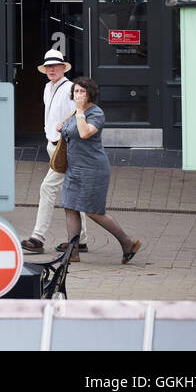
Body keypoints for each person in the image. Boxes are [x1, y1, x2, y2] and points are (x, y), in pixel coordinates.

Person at [58, 77, 142, 263]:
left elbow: (85, 133)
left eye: (82, 92)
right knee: (69, 207)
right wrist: (65, 123)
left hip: (93, 169)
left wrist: (79, 111)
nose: (78, 95)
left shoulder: (96, 113)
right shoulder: (74, 113)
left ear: (90, 95)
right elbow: (64, 129)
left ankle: (127, 242)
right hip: (74, 168)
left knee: (94, 211)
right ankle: (73, 252)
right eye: (76, 91)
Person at [21, 49, 89, 254]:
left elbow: (80, 113)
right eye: (48, 66)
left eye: (55, 66)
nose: (51, 69)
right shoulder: (47, 88)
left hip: (66, 147)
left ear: (63, 67)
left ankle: (38, 237)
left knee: (47, 188)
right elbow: (49, 116)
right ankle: (81, 239)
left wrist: (64, 129)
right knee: (74, 190)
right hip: (54, 145)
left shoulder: (71, 89)